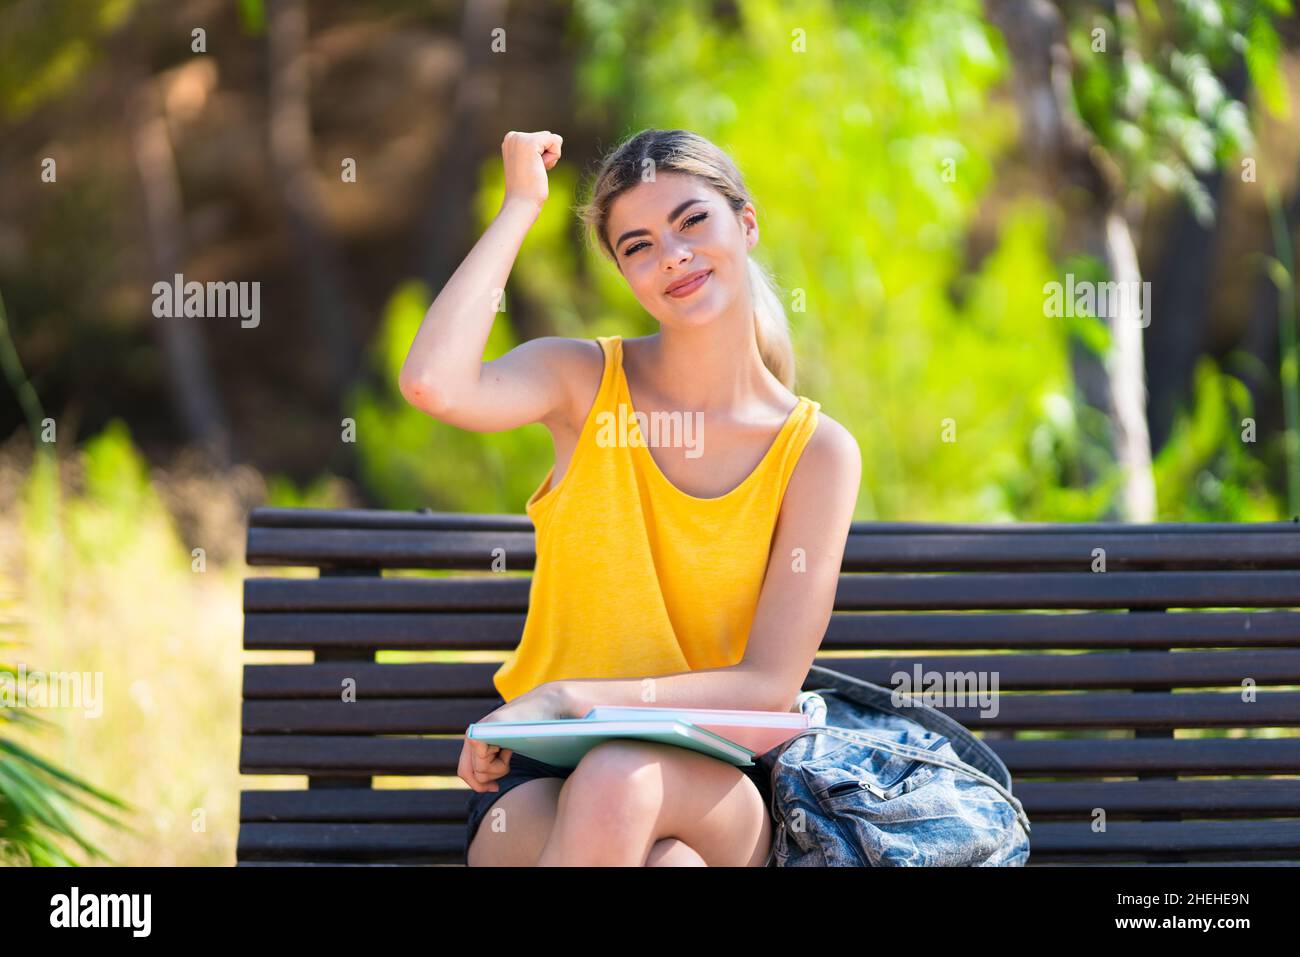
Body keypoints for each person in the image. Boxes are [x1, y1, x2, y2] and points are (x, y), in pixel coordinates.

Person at [399, 128, 861, 866]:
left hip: (715, 777)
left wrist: (573, 698)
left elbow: (769, 686)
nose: (672, 254)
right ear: (625, 275)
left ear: (746, 223)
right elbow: (433, 383)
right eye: (638, 245)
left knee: (622, 776)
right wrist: (520, 205)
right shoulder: (580, 384)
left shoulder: (817, 452)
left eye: (692, 221)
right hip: (539, 782)